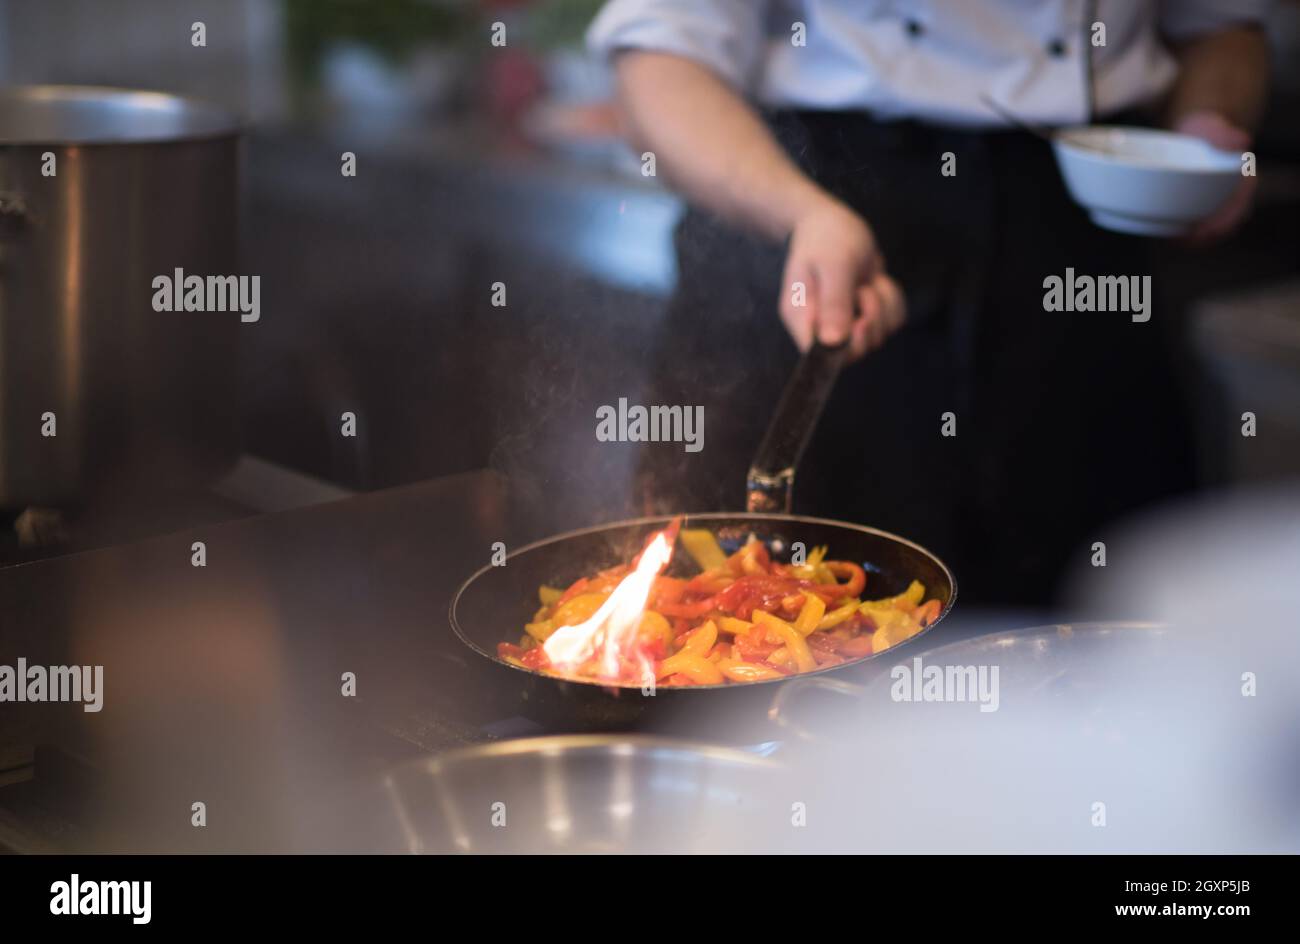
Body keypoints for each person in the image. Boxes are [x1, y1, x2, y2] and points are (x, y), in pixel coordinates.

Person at [587, 0, 1271, 605]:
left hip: (1078, 232)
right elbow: (659, 55)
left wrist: (1208, 128)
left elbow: (1225, 26)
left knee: (1091, 630)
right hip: (803, 202)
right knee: (755, 633)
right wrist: (801, 214)